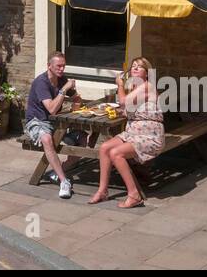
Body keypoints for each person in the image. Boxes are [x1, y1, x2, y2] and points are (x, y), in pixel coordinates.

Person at [88, 57, 164, 208]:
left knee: (116, 153)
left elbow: (123, 101)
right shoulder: (137, 89)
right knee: (104, 148)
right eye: (133, 66)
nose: (135, 68)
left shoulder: (147, 86)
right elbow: (128, 108)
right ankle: (103, 191)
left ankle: (134, 195)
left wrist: (120, 85)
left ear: (147, 73)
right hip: (133, 133)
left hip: (150, 136)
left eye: (139, 67)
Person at [24, 53, 81, 199]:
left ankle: (56, 172)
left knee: (83, 139)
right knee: (47, 140)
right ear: (49, 66)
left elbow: (76, 98)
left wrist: (76, 108)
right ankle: (64, 181)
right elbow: (51, 108)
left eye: (63, 66)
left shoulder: (62, 79)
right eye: (58, 66)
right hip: (37, 121)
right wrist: (64, 90)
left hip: (56, 122)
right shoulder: (41, 82)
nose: (62, 69)